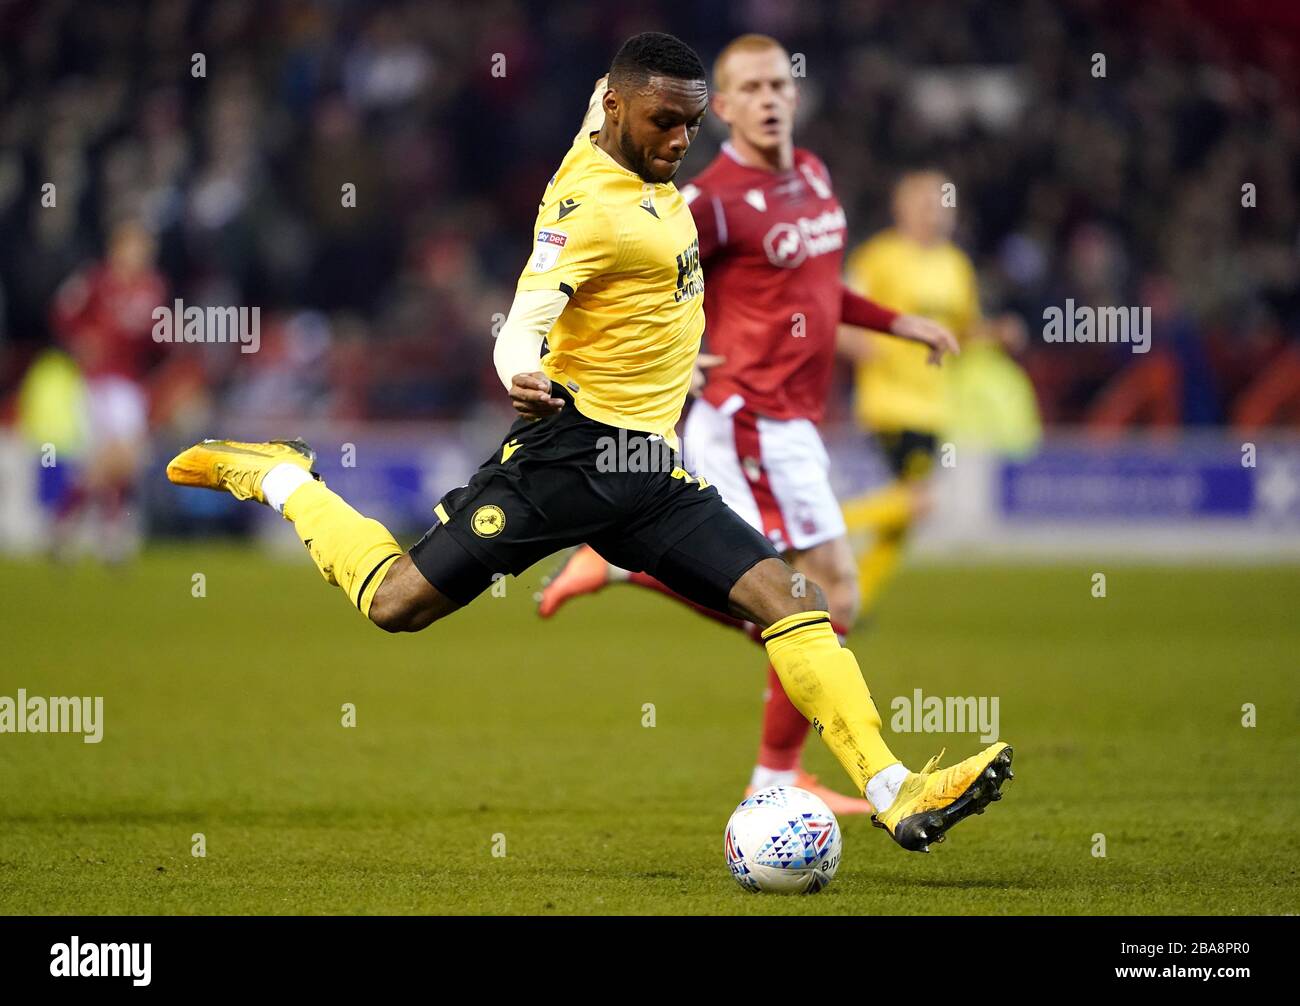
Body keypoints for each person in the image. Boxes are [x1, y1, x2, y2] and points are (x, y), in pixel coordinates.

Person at [167, 32, 1012, 852]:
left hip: (649, 467)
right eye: (664, 123)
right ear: (616, 109)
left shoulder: (612, 132)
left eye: (691, 123)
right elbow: (529, 309)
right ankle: (281, 477)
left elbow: (622, 115)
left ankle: (896, 792)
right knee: (396, 604)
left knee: (795, 600)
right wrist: (517, 367)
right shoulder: (589, 211)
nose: (680, 141)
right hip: (565, 458)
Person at [538, 35, 959, 815]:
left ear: (793, 94)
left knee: (793, 608)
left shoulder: (814, 176)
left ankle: (635, 567)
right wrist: (673, 353)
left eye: (778, 83)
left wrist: (902, 324)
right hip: (748, 418)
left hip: (793, 423)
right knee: (824, 602)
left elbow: (826, 291)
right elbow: (628, 271)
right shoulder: (711, 200)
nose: (768, 97)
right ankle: (777, 776)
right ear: (722, 109)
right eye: (749, 89)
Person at [839, 170, 983, 617]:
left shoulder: (956, 266)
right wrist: (852, 342)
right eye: (924, 203)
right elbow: (838, 309)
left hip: (935, 404)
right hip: (891, 401)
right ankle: (820, 530)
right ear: (901, 208)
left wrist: (998, 333)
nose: (934, 211)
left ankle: (848, 603)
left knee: (904, 520)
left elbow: (965, 331)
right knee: (919, 501)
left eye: (941, 203)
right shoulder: (878, 258)